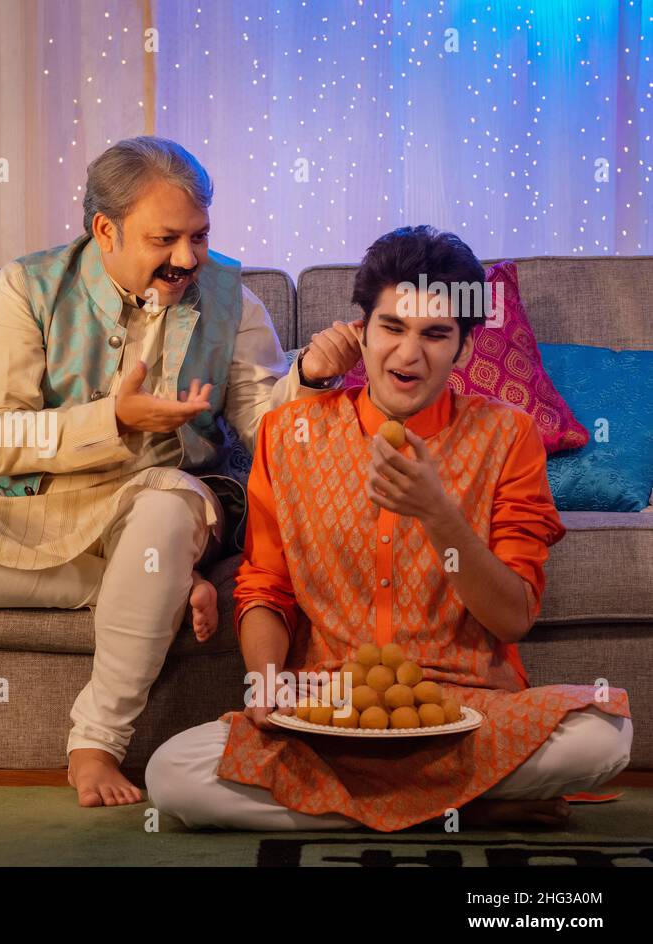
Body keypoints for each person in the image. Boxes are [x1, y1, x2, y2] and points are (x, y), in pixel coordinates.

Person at [0, 136, 362, 807]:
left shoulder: (231, 299)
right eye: (166, 239)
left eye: (200, 235)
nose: (188, 258)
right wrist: (113, 421)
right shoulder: (26, 289)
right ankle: (147, 587)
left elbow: (264, 426)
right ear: (106, 229)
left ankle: (95, 741)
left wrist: (307, 377)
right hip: (47, 511)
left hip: (174, 504)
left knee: (163, 508)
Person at [145, 225, 633, 831]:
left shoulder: (509, 437)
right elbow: (266, 587)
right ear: (362, 331)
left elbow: (512, 616)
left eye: (435, 334)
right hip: (326, 716)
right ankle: (470, 804)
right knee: (171, 774)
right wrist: (268, 683)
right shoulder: (290, 434)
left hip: (467, 713)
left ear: (462, 347)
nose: (408, 354)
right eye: (392, 327)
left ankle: (355, 807)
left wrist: (438, 514)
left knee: (606, 736)